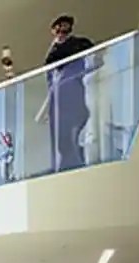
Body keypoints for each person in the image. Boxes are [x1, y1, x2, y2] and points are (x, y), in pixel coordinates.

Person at [42, 15, 95, 171]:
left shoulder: (79, 44)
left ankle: (79, 162)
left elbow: (92, 60)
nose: (61, 31)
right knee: (62, 140)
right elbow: (50, 80)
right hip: (60, 101)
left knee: (77, 131)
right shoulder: (53, 54)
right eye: (58, 28)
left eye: (64, 27)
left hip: (75, 94)